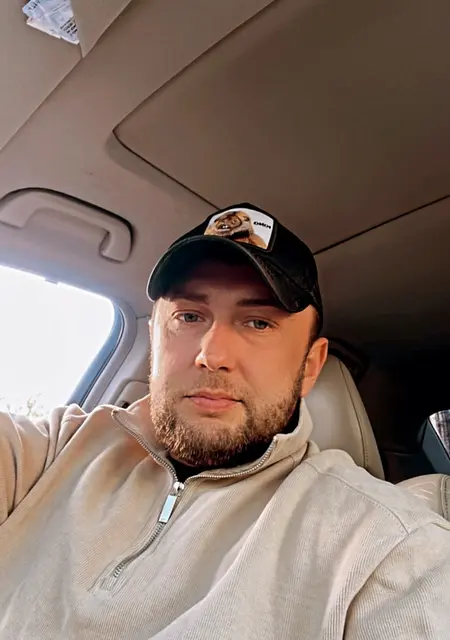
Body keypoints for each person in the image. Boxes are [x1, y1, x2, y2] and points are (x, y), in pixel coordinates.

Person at [0, 203, 449, 640]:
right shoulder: (53, 450)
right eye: (189, 316)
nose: (211, 355)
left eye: (258, 323)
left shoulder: (385, 548)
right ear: (155, 337)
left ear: (310, 367)